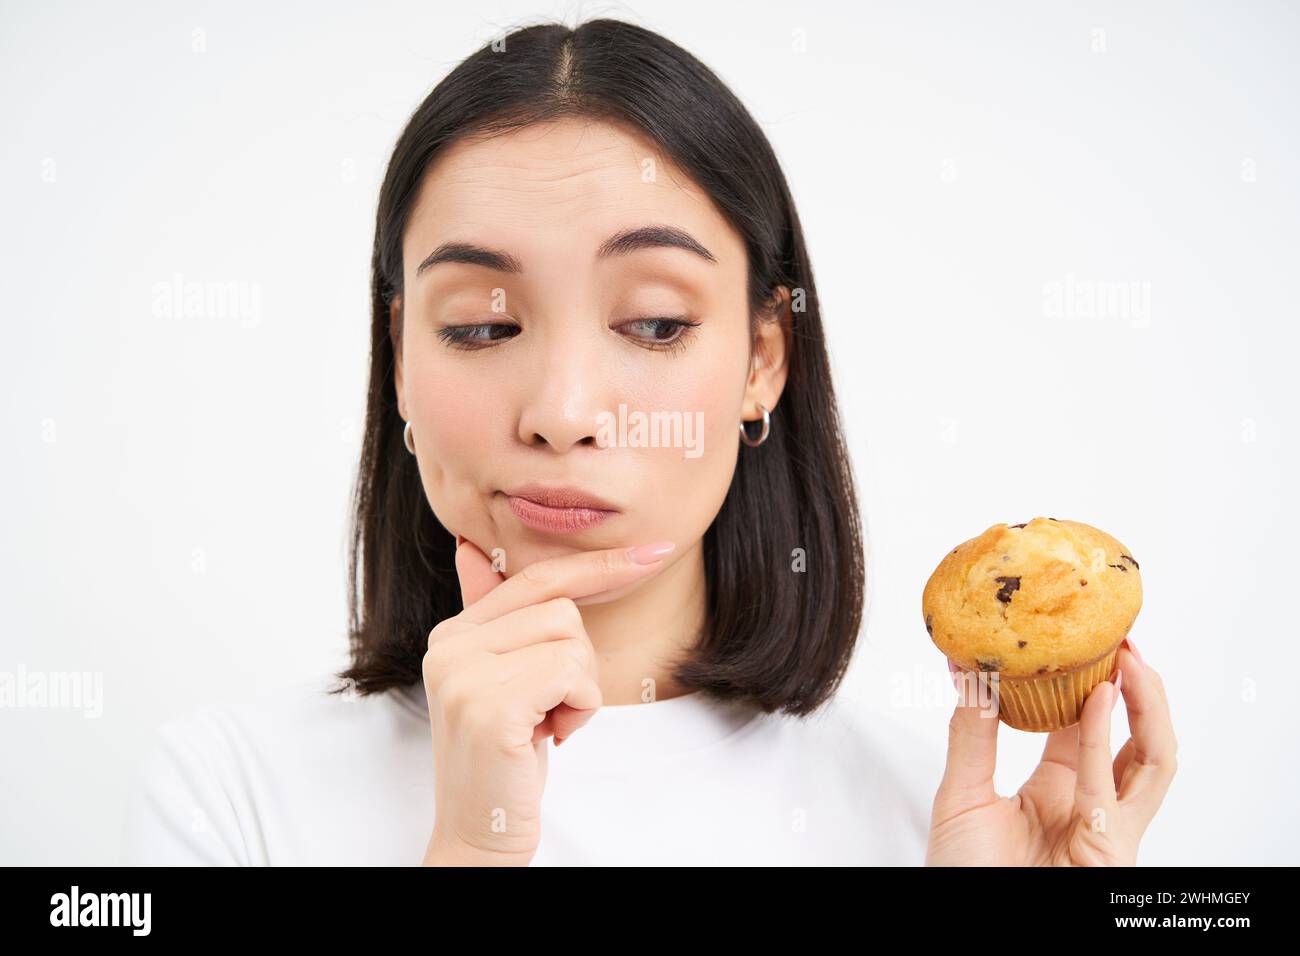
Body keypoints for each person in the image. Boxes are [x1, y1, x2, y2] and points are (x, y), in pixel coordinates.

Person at [121, 18, 1176, 867]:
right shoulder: (230, 796)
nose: (565, 409)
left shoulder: (947, 822)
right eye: (482, 325)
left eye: (655, 322)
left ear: (764, 356)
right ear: (399, 353)